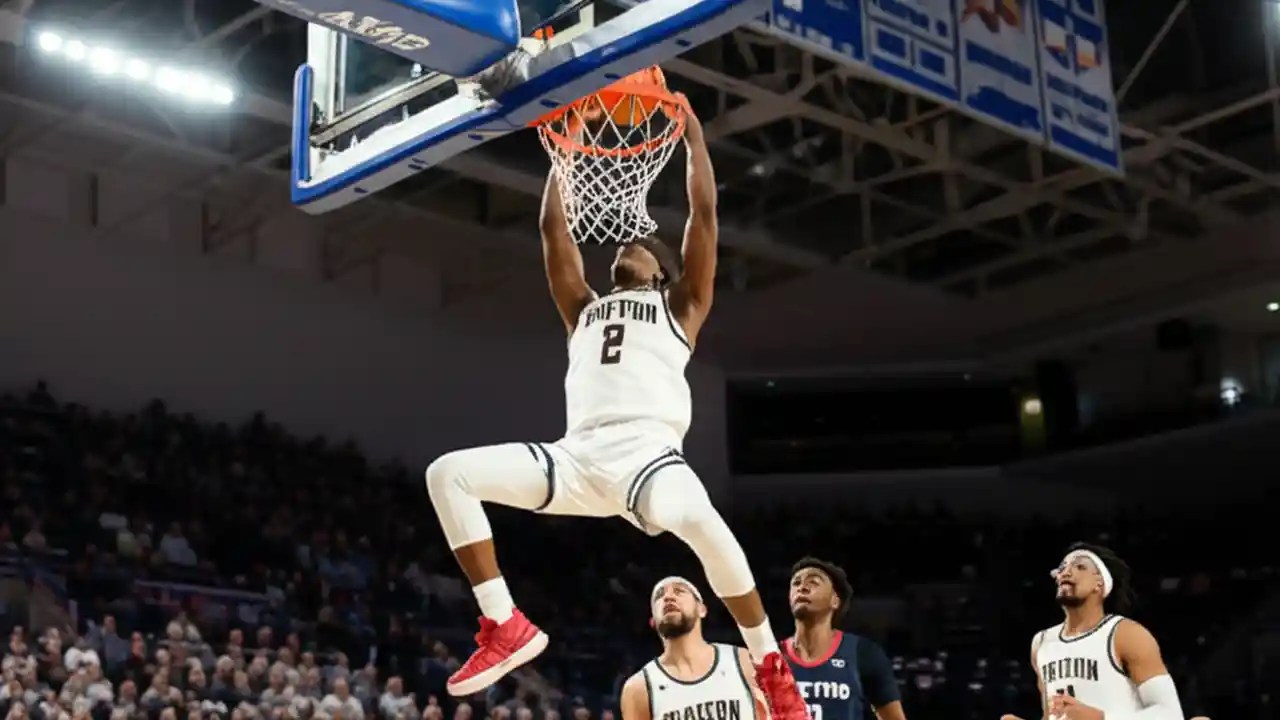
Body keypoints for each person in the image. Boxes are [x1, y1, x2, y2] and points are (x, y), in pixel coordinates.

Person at [423, 102, 808, 720]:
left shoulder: (682, 305)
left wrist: (695, 139)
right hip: (576, 458)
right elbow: (553, 231)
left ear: (662, 273)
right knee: (448, 474)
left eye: (644, 245)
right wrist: (565, 150)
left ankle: (770, 668)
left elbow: (705, 214)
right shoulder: (582, 308)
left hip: (649, 459)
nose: (630, 242)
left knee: (704, 524)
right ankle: (504, 622)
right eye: (627, 241)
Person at [1001, 543, 1185, 720]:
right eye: (1062, 568)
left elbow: (1171, 714)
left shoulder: (1126, 634)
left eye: (1080, 567)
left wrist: (1102, 718)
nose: (1066, 572)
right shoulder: (1041, 642)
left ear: (1100, 582)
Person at [620, 577, 768, 720]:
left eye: (679, 591)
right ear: (653, 621)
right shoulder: (639, 688)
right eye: (659, 596)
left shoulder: (743, 661)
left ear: (701, 609)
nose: (668, 597)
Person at [783, 558, 905, 720]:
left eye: (813, 582)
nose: (802, 587)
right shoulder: (771, 656)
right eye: (796, 583)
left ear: (835, 600)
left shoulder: (863, 653)